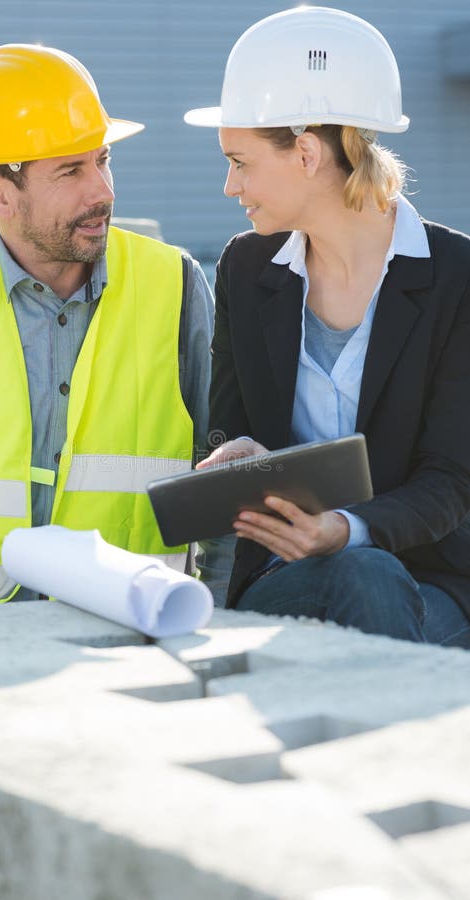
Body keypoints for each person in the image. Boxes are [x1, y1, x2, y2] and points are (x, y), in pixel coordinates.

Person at [0, 43, 216, 604]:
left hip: (125, 632)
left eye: (102, 160)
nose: (102, 191)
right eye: (71, 170)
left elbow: (224, 476)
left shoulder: (174, 285)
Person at [185, 6, 470, 648]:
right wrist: (240, 457)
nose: (230, 185)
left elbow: (453, 479)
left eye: (241, 161)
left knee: (367, 572)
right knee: (363, 581)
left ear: (307, 154)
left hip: (432, 579)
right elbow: (233, 423)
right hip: (290, 574)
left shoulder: (459, 276)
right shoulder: (245, 266)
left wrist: (345, 528)